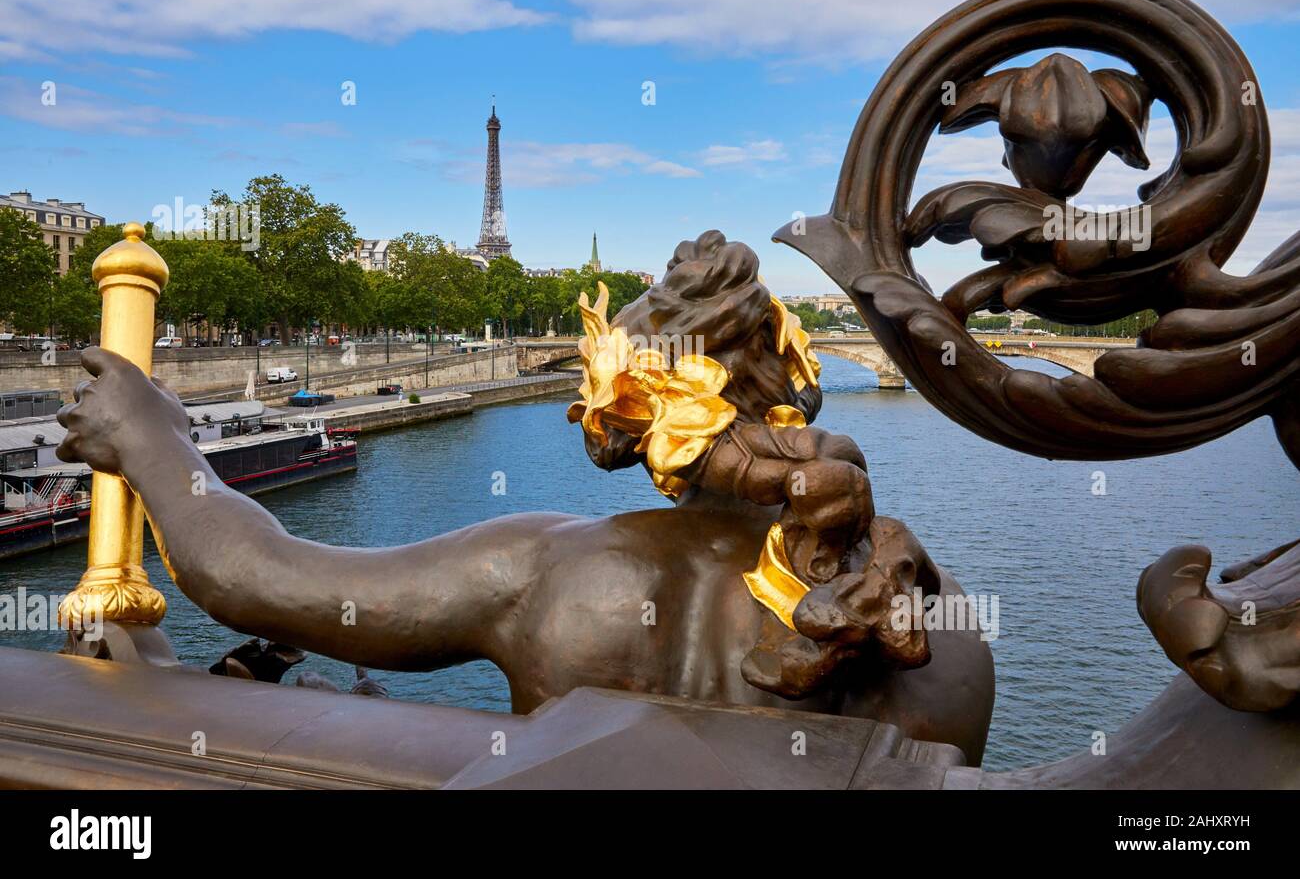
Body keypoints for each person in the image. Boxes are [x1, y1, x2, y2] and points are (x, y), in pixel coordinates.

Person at [56, 231, 995, 763]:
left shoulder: (558, 566)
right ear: (790, 380)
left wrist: (154, 436)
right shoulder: (927, 615)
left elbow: (251, 577)